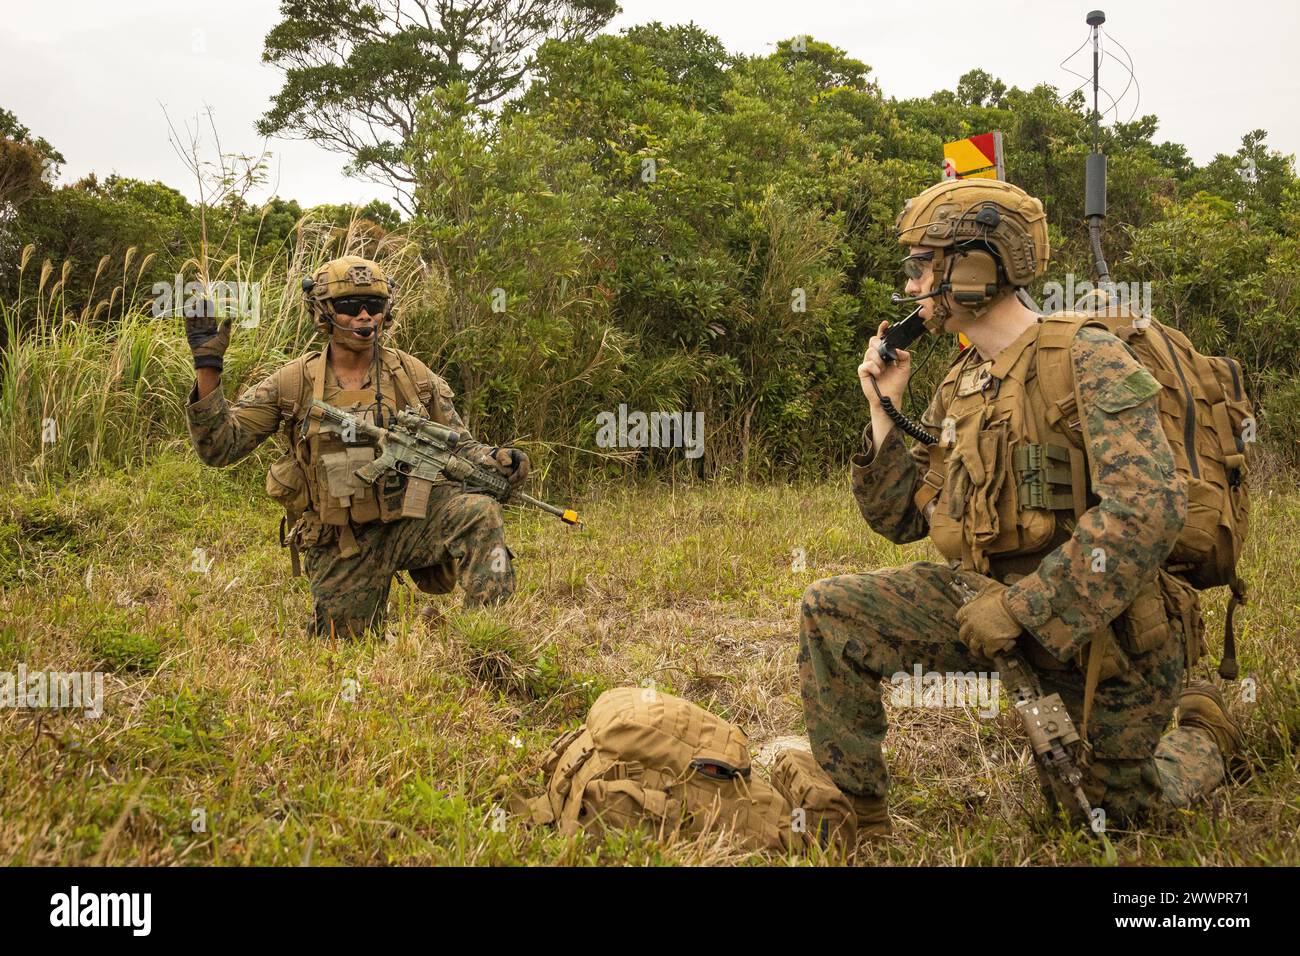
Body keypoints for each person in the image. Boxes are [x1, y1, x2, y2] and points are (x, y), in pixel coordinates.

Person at [798, 179, 1244, 835]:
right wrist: (882, 407)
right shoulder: (961, 381)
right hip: (983, 604)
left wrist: (1025, 608)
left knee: (1106, 821)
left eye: (924, 264)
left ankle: (1204, 733)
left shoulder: (1088, 356)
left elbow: (1146, 509)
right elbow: (901, 519)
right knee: (830, 612)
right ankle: (856, 822)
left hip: (1103, 629)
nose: (915, 285)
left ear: (976, 266)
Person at [184, 255, 530, 638]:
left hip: (409, 522)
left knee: (481, 513)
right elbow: (219, 448)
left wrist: (496, 459)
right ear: (324, 312)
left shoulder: (414, 376)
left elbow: (461, 446)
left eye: (374, 306)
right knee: (344, 644)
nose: (364, 317)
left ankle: (488, 638)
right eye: (350, 307)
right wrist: (208, 367)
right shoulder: (292, 383)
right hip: (341, 542)